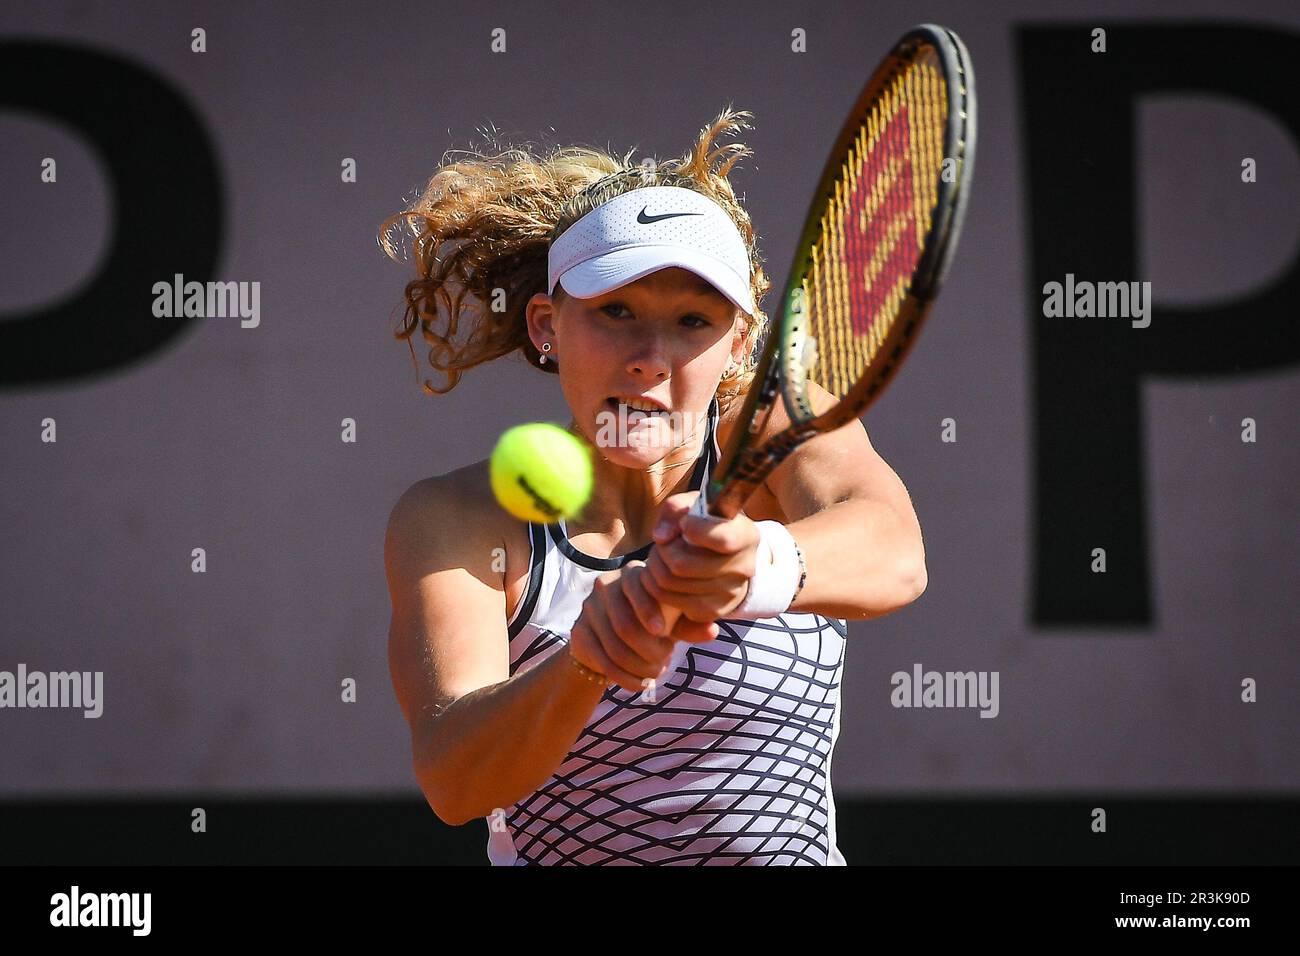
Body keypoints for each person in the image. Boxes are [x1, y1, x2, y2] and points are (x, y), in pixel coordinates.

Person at [379, 108, 928, 865]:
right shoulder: (458, 519)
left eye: (693, 321)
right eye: (616, 311)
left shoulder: (772, 430)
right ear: (547, 324)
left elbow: (896, 553)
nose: (650, 356)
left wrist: (748, 568)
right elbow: (455, 777)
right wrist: (587, 660)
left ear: (739, 346)